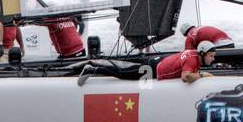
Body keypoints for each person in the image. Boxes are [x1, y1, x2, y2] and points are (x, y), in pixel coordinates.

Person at [76, 41, 218, 86]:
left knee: (126, 68)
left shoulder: (194, 53)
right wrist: (201, 75)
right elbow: (185, 77)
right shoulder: (193, 59)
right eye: (211, 56)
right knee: (122, 73)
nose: (213, 59)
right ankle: (92, 69)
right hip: (153, 69)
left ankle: (94, 66)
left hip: (158, 61)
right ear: (202, 53)